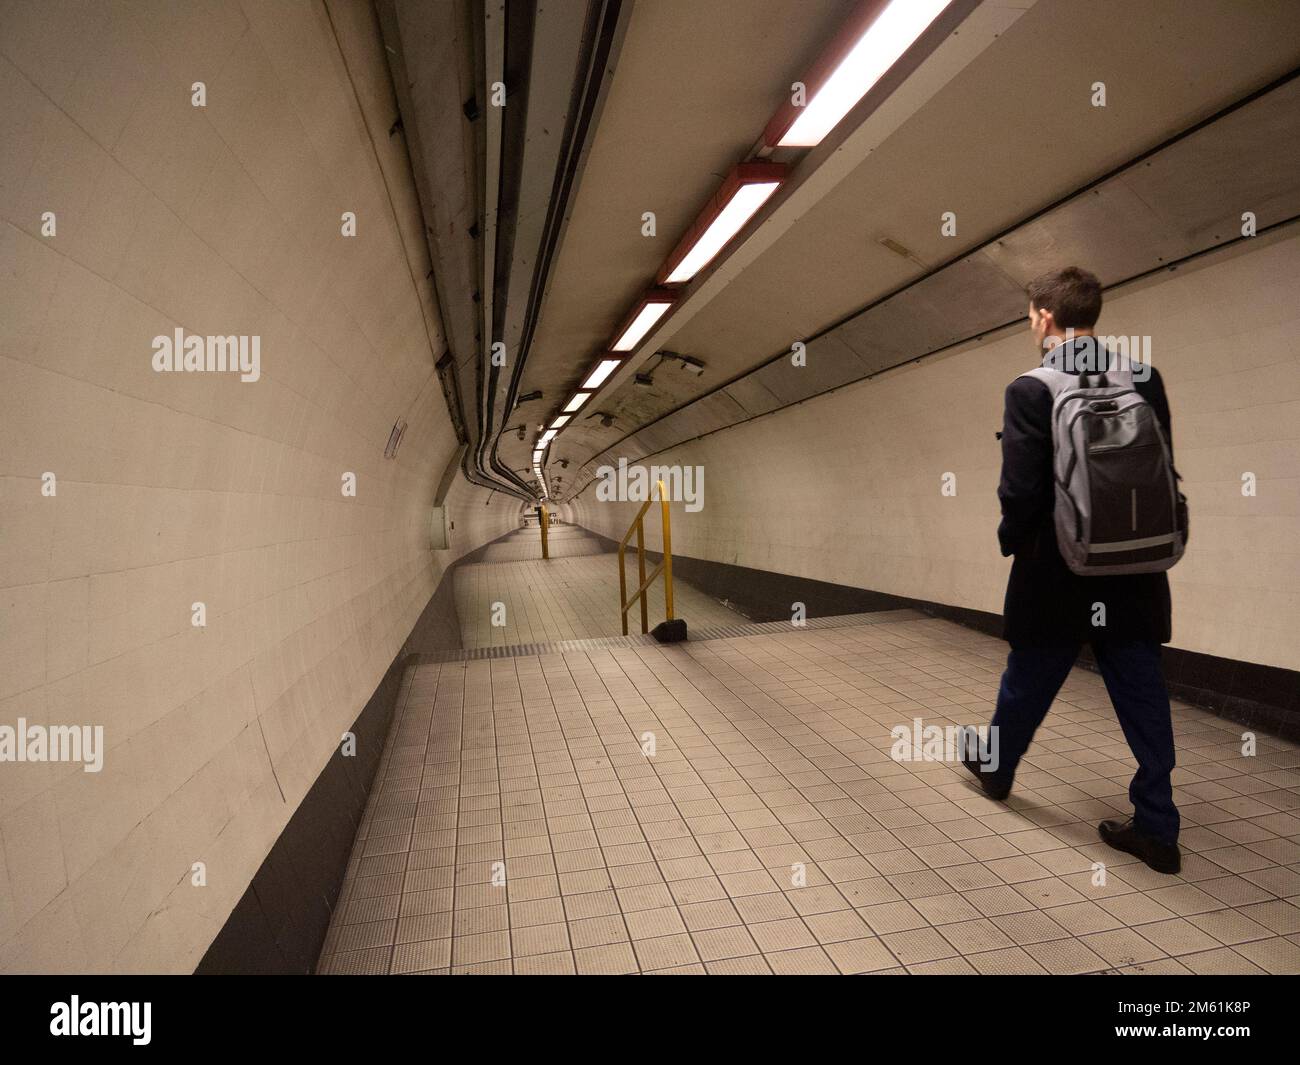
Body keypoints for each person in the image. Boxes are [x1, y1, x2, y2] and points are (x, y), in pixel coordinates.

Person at [962, 266, 1182, 874]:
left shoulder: (1030, 388)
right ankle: (1159, 827)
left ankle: (998, 768)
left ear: (1044, 316)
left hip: (1057, 567)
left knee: (1030, 673)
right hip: (1134, 567)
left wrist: (1014, 542)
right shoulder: (1144, 376)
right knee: (1142, 688)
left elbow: (1021, 490)